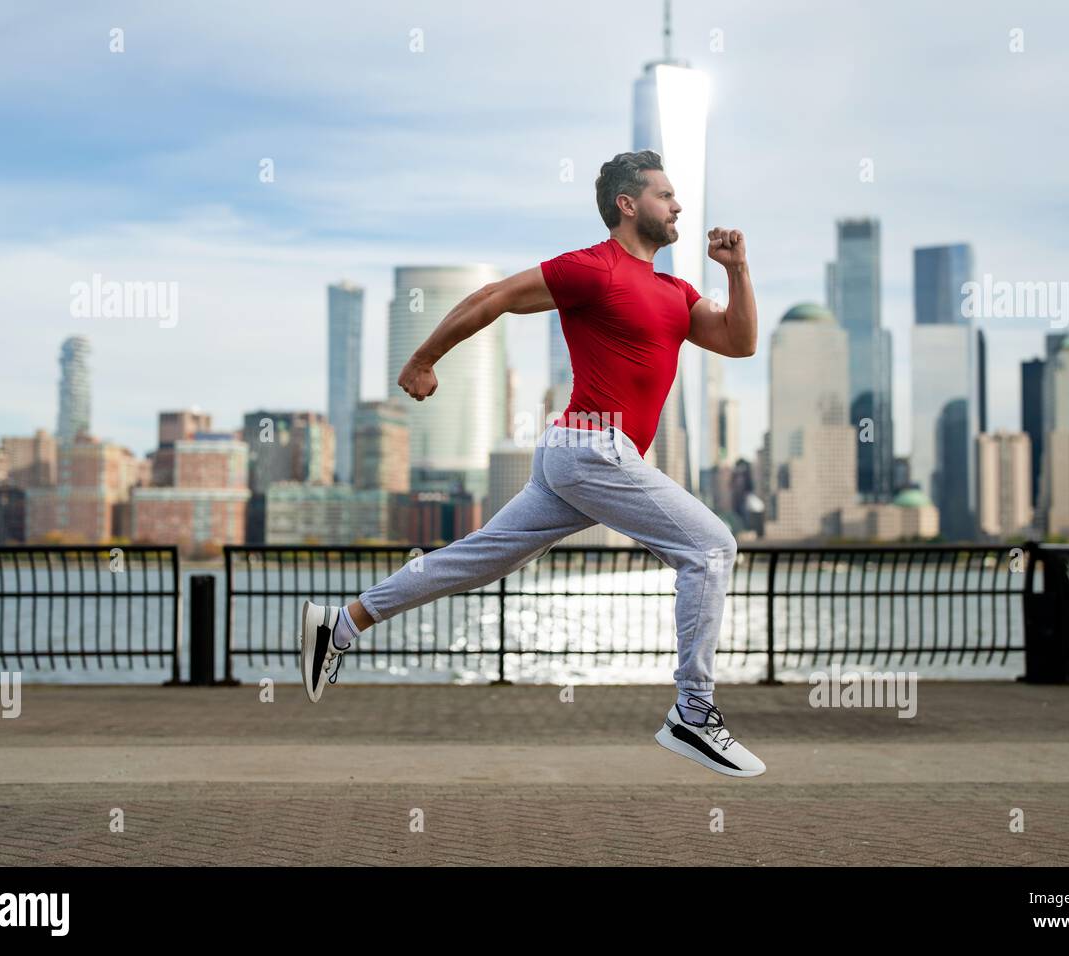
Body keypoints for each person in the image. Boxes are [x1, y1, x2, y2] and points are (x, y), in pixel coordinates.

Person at [300, 150, 764, 777]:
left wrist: (737, 271)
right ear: (628, 206)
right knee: (710, 548)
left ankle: (343, 622)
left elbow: (739, 342)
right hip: (591, 446)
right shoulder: (592, 269)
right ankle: (694, 710)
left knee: (483, 557)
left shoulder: (677, 293)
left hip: (575, 460)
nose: (678, 205)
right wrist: (421, 359)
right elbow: (493, 297)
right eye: (665, 195)